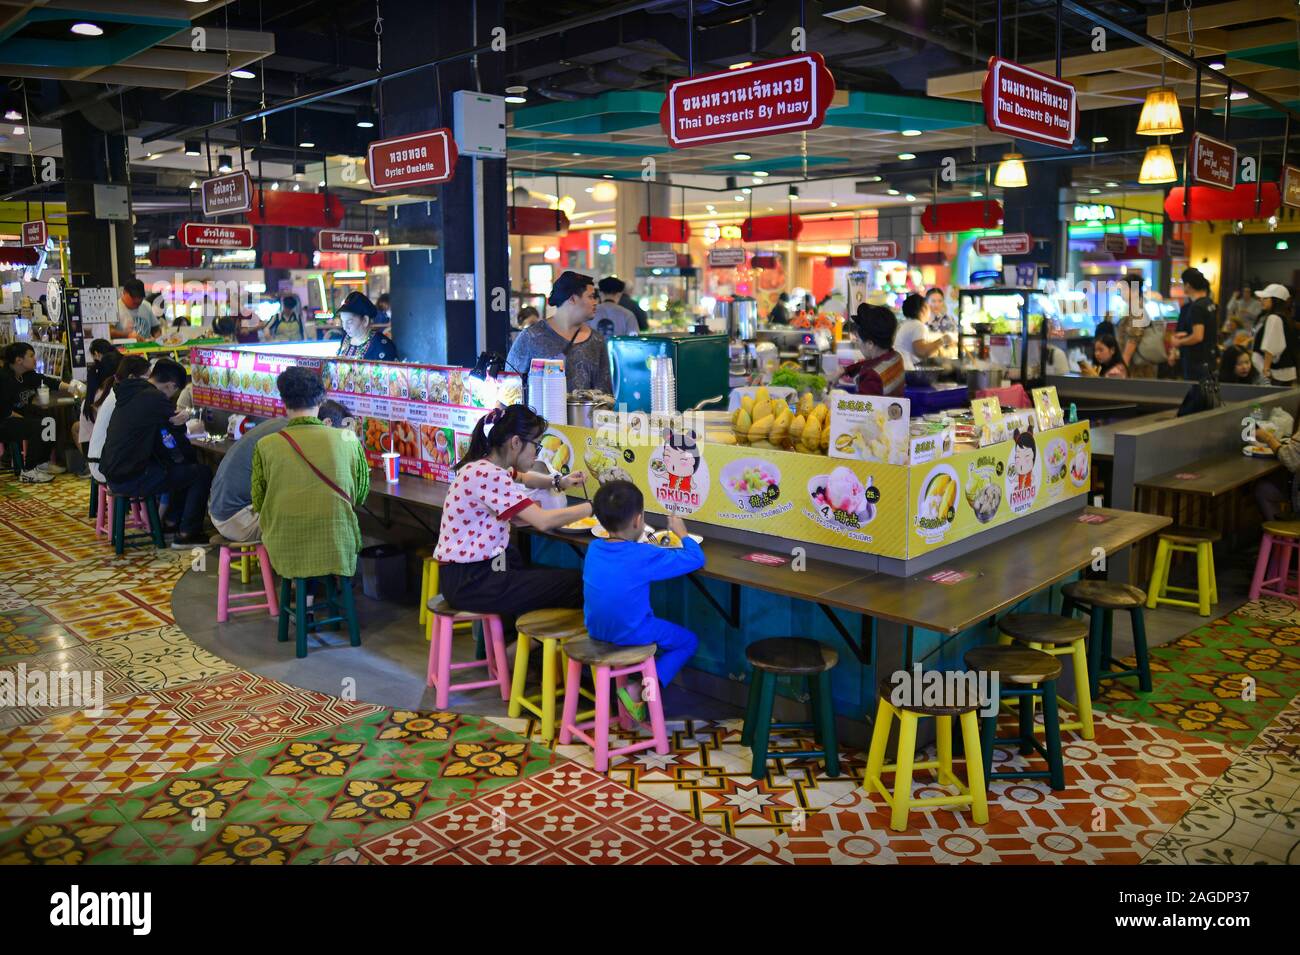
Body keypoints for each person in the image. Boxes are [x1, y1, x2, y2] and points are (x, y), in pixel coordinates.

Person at [433, 405, 592, 623]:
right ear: (516, 443)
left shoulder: (483, 466)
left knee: (518, 560)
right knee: (575, 583)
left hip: (467, 576)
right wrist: (594, 507)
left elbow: (524, 478)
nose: (537, 453)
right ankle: (526, 650)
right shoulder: (491, 475)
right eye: (536, 445)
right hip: (474, 581)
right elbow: (543, 521)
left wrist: (558, 481)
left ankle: (517, 648)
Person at [584, 480, 702, 718]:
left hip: (595, 629)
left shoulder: (594, 548)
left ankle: (637, 688)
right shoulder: (643, 554)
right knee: (688, 641)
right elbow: (695, 559)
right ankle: (638, 690)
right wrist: (682, 533)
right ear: (638, 519)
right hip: (632, 632)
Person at [251, 370, 370, 580]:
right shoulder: (348, 439)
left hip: (285, 549)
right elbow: (360, 496)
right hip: (336, 545)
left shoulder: (266, 445)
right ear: (321, 400)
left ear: (284, 402)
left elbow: (259, 502)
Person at [210, 392, 350, 543]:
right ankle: (285, 566)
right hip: (238, 518)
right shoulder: (295, 437)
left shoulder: (285, 424)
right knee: (313, 520)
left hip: (220, 509)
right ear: (327, 423)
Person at [101, 359, 211, 547]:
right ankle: (187, 533)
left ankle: (171, 522)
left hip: (113, 471)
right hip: (130, 476)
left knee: (180, 468)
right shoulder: (154, 398)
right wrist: (182, 420)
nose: (170, 398)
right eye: (172, 393)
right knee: (201, 472)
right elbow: (175, 432)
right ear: (170, 385)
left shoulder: (132, 392)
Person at [506, 270, 611, 393]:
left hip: (584, 412)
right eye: (591, 296)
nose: (595, 302)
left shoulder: (596, 340)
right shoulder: (532, 337)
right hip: (538, 412)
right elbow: (508, 389)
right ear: (572, 299)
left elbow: (605, 394)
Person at [0, 342, 75, 482]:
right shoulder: (3, 378)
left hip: (17, 416)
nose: (35, 358)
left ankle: (42, 464)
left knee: (49, 419)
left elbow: (48, 381)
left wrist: (72, 388)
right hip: (4, 420)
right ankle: (28, 470)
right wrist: (25, 419)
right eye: (31, 355)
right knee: (38, 426)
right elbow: (4, 411)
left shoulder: (27, 375)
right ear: (19, 360)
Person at [87, 355, 150, 486]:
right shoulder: (123, 397)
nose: (150, 383)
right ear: (132, 377)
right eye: (147, 378)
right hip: (104, 465)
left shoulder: (117, 392)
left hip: (100, 461)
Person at [842, 303, 904, 396]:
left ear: (870, 343)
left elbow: (861, 408)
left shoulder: (872, 377)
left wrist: (834, 402)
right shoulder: (895, 356)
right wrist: (845, 370)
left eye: (857, 339)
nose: (857, 343)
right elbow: (870, 364)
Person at [1171, 267, 1216, 381]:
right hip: (1208, 357)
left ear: (1188, 285)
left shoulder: (1196, 307)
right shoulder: (1209, 303)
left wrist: (1179, 342)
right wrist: (1186, 335)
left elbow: (1198, 336)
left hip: (1196, 360)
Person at [75, 339, 121, 448]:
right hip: (111, 448)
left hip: (96, 450)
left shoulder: (96, 397)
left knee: (76, 428)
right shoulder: (118, 395)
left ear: (96, 354)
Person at [1251, 284, 1297, 386]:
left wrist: (1266, 370)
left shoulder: (1274, 318)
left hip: (1276, 374)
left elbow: (1271, 347)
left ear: (1276, 300)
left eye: (1265, 298)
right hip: (1285, 372)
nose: (1261, 300)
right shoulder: (1285, 317)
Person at [894, 293, 952, 369]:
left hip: (901, 367)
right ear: (923, 309)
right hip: (907, 369)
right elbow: (921, 351)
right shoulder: (918, 325)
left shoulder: (908, 324)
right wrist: (942, 340)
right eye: (928, 307)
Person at [336, 290, 397, 361]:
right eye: (343, 321)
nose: (344, 327)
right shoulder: (346, 339)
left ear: (365, 320)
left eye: (349, 322)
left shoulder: (381, 346)